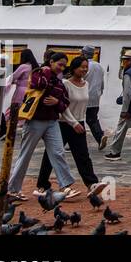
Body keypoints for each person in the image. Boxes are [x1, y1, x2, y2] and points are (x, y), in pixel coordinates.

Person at [6, 52, 78, 201]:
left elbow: (65, 102)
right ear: (51, 62)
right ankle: (13, 188)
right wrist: (46, 71)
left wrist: (56, 102)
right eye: (59, 64)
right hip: (35, 120)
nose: (61, 68)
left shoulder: (59, 82)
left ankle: (65, 185)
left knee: (58, 152)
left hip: (52, 121)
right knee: (25, 154)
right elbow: (38, 85)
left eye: (64, 66)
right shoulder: (39, 73)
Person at [36, 56, 108, 197]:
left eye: (86, 67)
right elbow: (64, 106)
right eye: (81, 66)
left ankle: (91, 183)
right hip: (63, 123)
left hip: (79, 122)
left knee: (83, 155)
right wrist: (73, 123)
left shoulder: (86, 84)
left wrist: (79, 122)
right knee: (52, 155)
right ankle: (42, 185)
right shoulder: (65, 84)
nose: (84, 69)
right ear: (74, 68)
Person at [1, 49, 39, 126]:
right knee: (25, 109)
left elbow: (13, 77)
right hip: (32, 91)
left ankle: (9, 128)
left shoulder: (23, 66)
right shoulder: (36, 67)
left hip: (21, 90)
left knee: (14, 108)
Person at [80, 47, 107, 148]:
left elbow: (80, 79)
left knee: (77, 118)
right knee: (92, 119)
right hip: (95, 96)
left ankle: (73, 141)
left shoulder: (84, 66)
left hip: (83, 95)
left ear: (84, 54)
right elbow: (102, 83)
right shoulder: (99, 66)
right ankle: (100, 137)